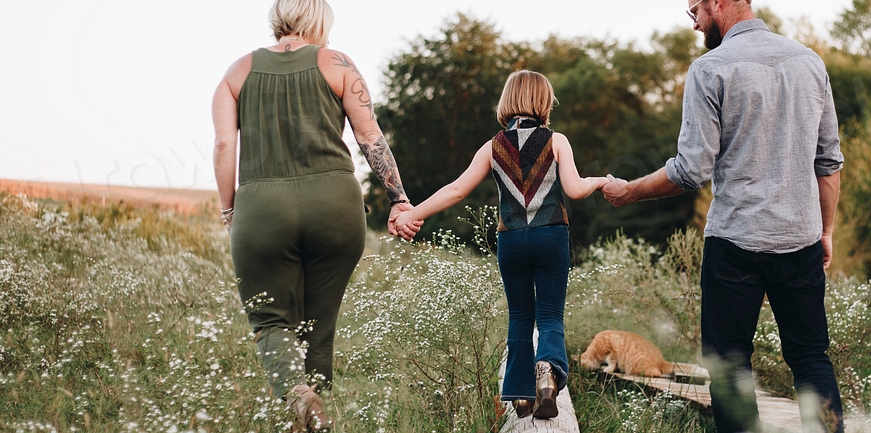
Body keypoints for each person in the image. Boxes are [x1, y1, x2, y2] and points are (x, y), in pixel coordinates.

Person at [600, 0, 846, 431]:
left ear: (717, 2)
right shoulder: (810, 63)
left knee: (731, 365)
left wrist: (630, 191)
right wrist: (825, 229)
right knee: (810, 357)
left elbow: (691, 169)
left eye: (694, 9)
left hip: (735, 245)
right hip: (800, 240)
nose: (692, 22)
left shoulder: (710, 69)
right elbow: (828, 161)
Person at [211, 0, 421, 430]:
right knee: (319, 323)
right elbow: (370, 136)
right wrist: (398, 198)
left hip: (261, 208)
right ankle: (314, 409)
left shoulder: (236, 73)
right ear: (320, 20)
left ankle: (297, 397)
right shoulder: (338, 63)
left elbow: (223, 147)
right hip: (335, 205)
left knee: (271, 320)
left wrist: (229, 208)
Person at [391, 70, 609, 420]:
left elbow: (457, 190)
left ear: (508, 101)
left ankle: (520, 395)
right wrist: (601, 180)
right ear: (543, 102)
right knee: (550, 316)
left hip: (510, 240)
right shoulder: (556, 141)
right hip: (550, 234)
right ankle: (548, 373)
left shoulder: (492, 146)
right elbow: (575, 189)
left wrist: (412, 213)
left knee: (520, 316)